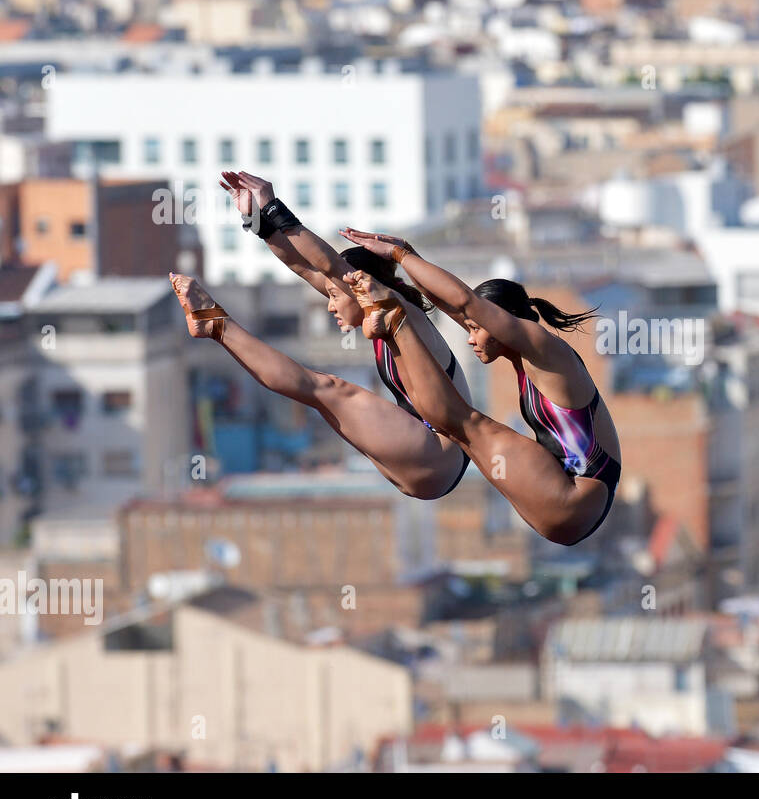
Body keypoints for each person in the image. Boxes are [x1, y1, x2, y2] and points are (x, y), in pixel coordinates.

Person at [166, 171, 472, 500]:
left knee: (326, 387)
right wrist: (255, 219)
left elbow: (327, 264)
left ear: (359, 287)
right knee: (318, 394)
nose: (330, 306)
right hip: (419, 460)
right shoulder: (378, 312)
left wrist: (272, 205)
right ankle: (214, 324)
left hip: (439, 454)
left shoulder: (398, 309)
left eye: (335, 295)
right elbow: (304, 266)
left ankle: (215, 323)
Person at [338, 226, 621, 546]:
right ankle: (395, 317)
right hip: (568, 505)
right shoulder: (523, 354)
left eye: (475, 328)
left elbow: (465, 302)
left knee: (463, 422)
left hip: (577, 496)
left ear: (502, 321)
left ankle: (395, 319)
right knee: (461, 427)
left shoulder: (543, 347)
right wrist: (408, 255)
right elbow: (453, 305)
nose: (470, 338)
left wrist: (400, 256)